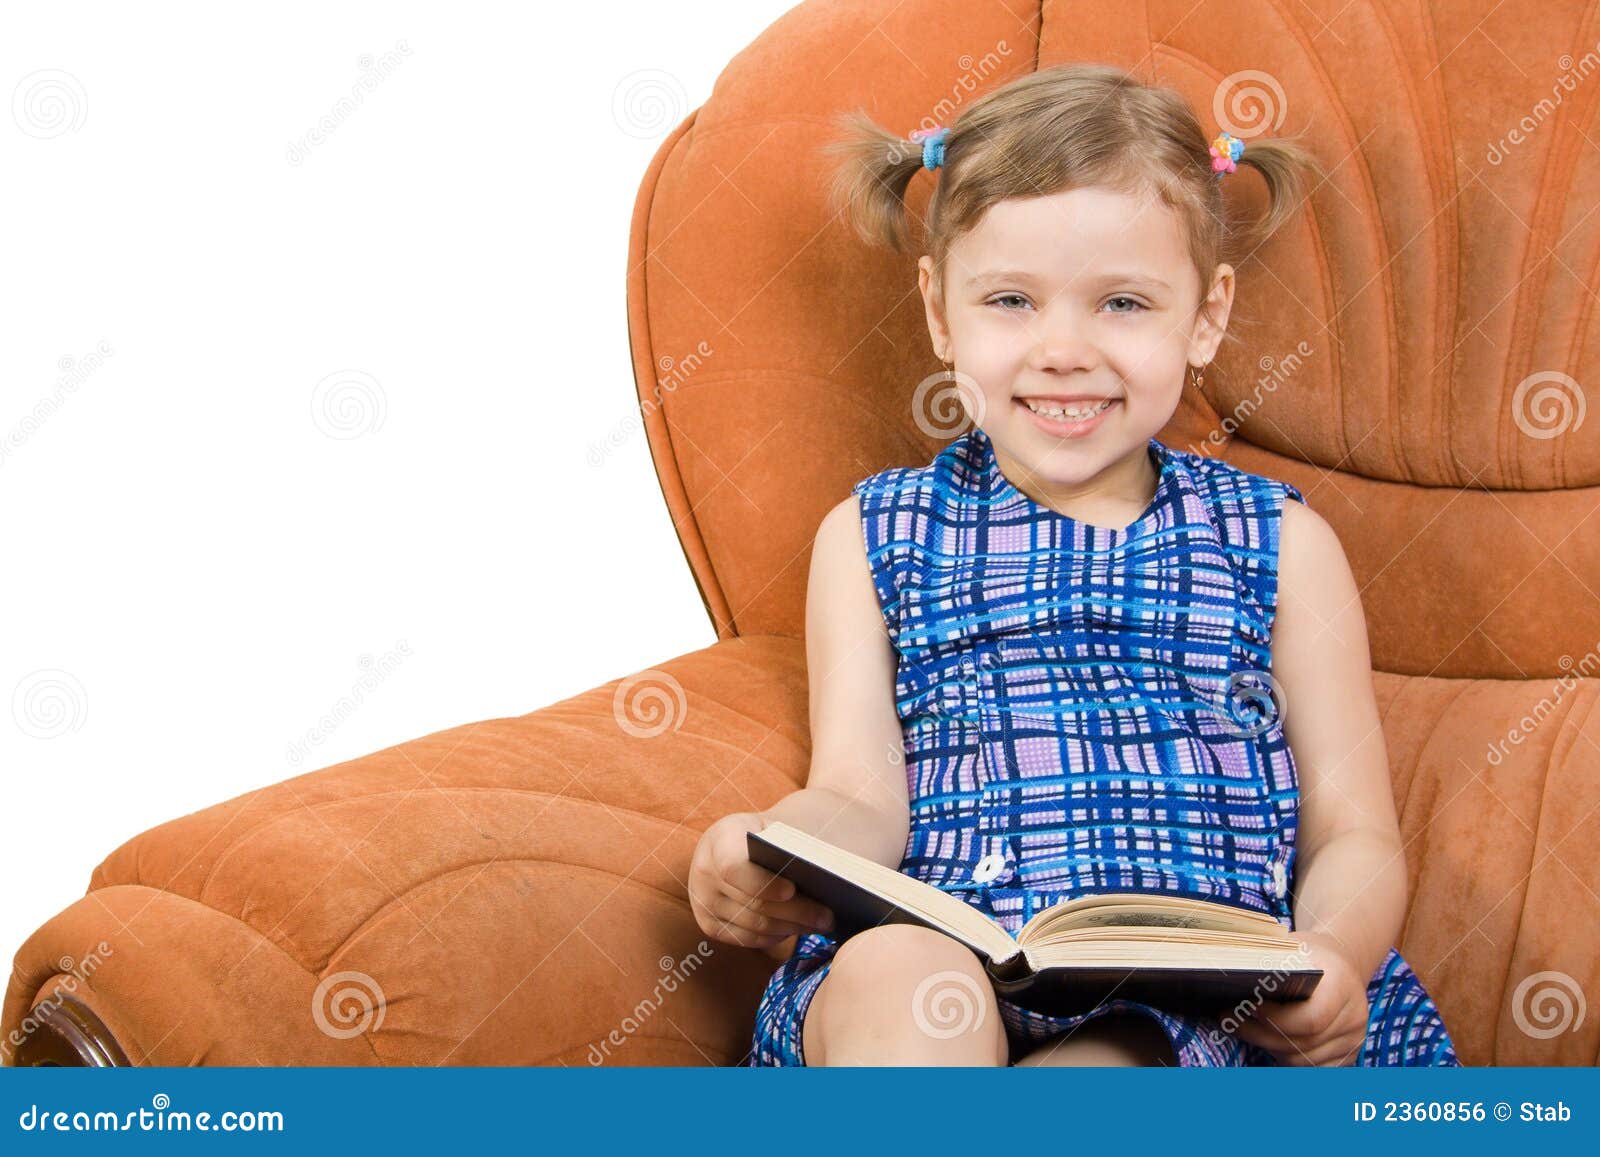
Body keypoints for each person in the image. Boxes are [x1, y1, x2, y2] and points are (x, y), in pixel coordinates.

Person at [687, 62, 1460, 1068]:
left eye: (1123, 304)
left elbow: (1354, 832)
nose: (1062, 349)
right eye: (1010, 299)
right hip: (949, 956)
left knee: (1113, 1067)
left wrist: (1329, 952)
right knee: (901, 982)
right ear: (937, 309)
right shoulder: (875, 535)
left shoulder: (1279, 544)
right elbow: (857, 790)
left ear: (1205, 314)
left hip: (1175, 1007)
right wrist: (773, 848)